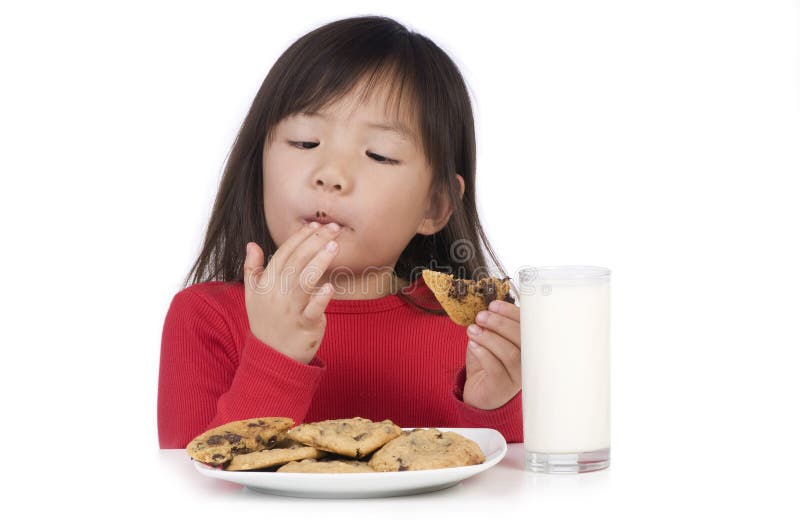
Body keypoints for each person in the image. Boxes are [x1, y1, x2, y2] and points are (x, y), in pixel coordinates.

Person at [158, 15, 522, 448]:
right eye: (305, 143)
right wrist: (273, 357)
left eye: (379, 154)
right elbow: (193, 495)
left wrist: (493, 405)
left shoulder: (474, 334)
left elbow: (509, 499)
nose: (331, 175)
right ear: (258, 166)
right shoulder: (207, 318)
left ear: (435, 204)